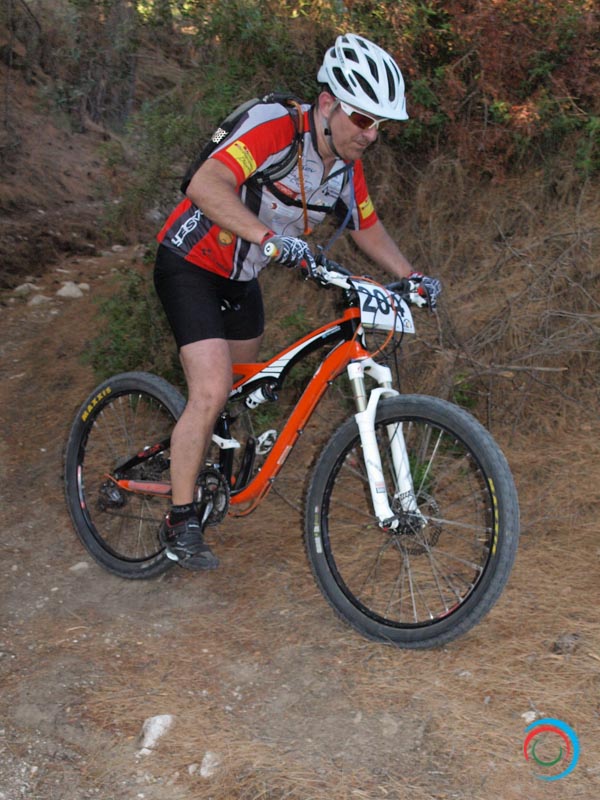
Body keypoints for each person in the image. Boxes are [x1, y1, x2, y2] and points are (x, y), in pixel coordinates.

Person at [154, 33, 441, 570]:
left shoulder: (345, 165)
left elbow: (366, 225)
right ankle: (179, 519)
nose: (371, 134)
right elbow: (204, 183)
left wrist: (412, 276)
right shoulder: (274, 126)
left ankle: (205, 467)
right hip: (189, 263)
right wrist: (269, 238)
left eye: (380, 125)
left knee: (237, 392)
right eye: (363, 119)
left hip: (242, 279)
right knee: (211, 389)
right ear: (328, 103)